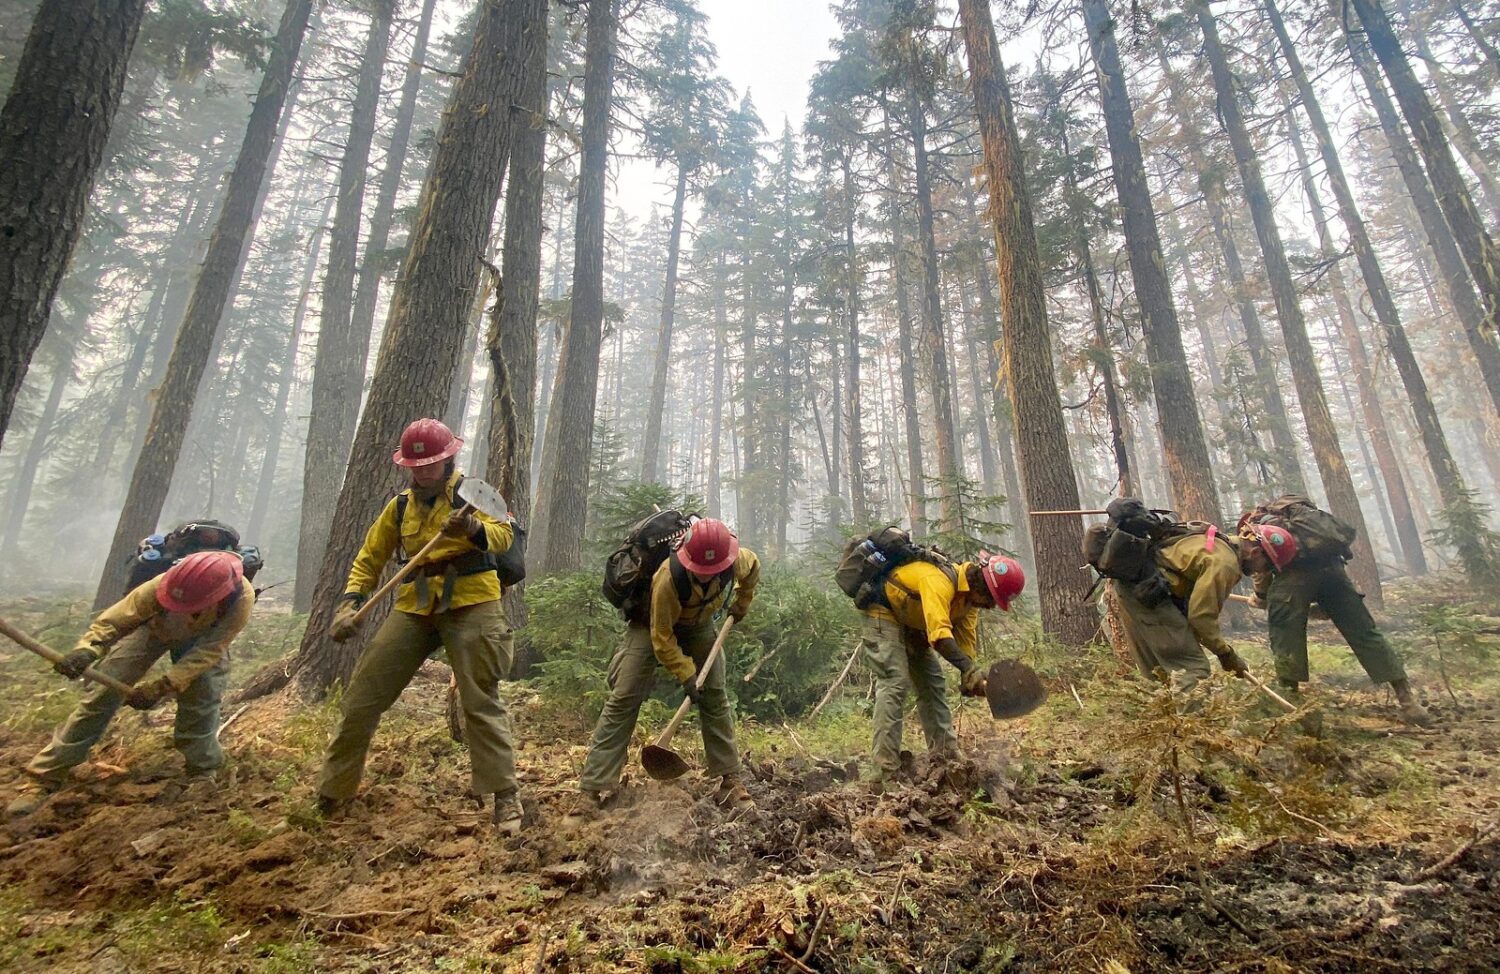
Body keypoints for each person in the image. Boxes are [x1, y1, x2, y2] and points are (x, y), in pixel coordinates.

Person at [314, 418, 524, 833]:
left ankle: (505, 796)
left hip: (473, 601)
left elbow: (504, 538)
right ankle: (333, 792)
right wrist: (350, 602)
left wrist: (472, 527)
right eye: (416, 465)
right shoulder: (399, 508)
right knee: (362, 697)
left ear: (448, 459)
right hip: (415, 605)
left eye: (431, 463)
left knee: (480, 700)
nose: (424, 471)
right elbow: (369, 559)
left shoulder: (475, 495)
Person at [7, 550, 253, 817]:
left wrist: (163, 686)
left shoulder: (240, 598)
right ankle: (43, 776)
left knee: (202, 698)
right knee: (102, 694)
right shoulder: (163, 583)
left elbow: (210, 649)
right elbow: (116, 618)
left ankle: (203, 770)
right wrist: (88, 649)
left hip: (203, 643)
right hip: (156, 628)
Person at [570, 517, 759, 818]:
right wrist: (686, 673)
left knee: (714, 694)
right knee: (624, 696)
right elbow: (662, 637)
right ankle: (592, 790)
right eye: (700, 571)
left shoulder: (735, 559)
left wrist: (742, 603)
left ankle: (730, 781)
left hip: (698, 625)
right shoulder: (668, 577)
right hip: (649, 626)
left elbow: (752, 570)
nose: (706, 576)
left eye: (712, 570)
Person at [1238, 522, 1430, 725]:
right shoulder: (1309, 523)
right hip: (1333, 570)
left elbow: (1262, 569)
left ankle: (1290, 699)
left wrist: (1261, 597)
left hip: (1292, 575)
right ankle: (1408, 701)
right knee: (1365, 633)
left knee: (1285, 638)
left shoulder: (1258, 530)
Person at [861, 551, 1024, 785]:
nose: (990, 606)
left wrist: (973, 679)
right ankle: (884, 773)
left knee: (933, 683)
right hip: (884, 612)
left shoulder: (969, 602)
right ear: (984, 588)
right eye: (991, 599)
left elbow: (965, 648)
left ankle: (946, 757)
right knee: (894, 681)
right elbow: (939, 636)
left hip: (913, 622)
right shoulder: (938, 581)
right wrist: (969, 670)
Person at [1113, 526, 1248, 688]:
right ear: (1256, 552)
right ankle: (1190, 706)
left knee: (1157, 674)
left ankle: (1160, 704)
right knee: (1193, 671)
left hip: (1130, 587)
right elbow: (1200, 617)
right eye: (1267, 566)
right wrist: (1225, 654)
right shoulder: (1226, 563)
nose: (1262, 573)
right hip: (1150, 594)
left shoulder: (1216, 542)